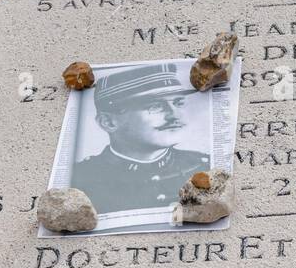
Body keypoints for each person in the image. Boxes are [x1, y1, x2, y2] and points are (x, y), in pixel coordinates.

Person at [70, 63, 210, 216]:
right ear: (108, 122)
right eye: (155, 106)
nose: (174, 115)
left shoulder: (203, 164)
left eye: (178, 103)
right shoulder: (81, 177)